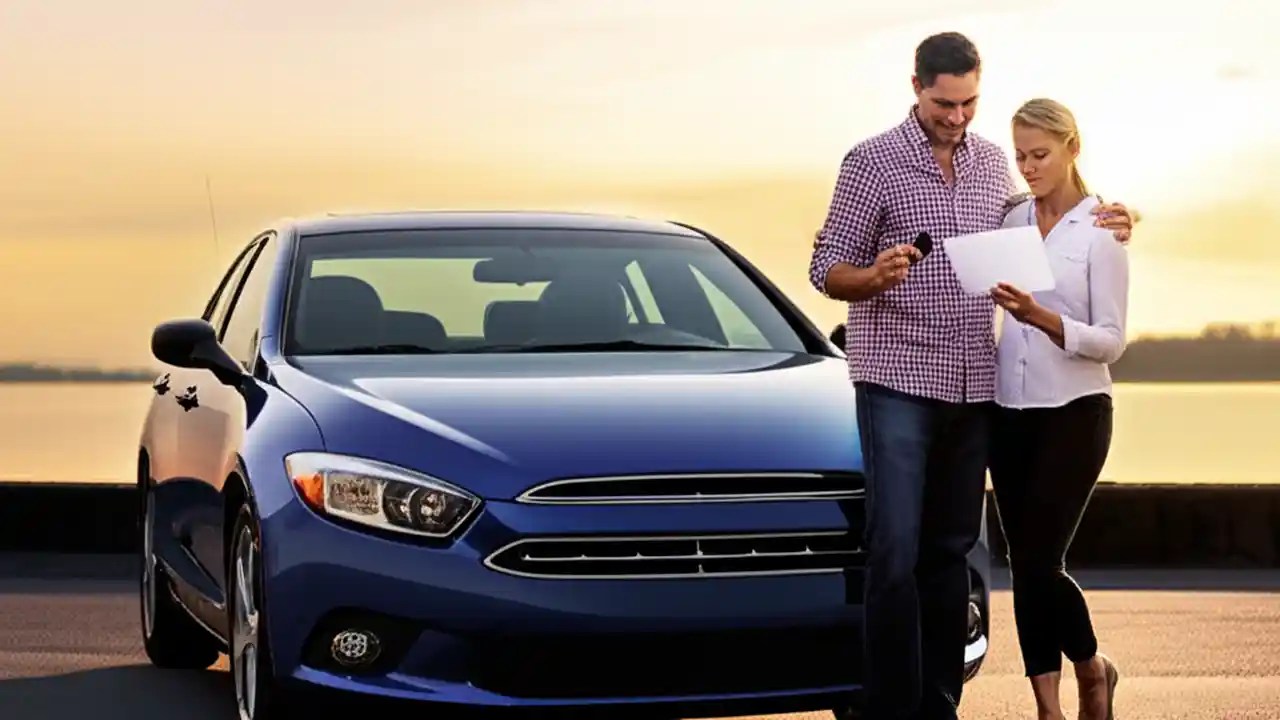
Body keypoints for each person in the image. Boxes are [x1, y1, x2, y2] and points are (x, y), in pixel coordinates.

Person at [807, 32, 1134, 720]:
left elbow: (1060, 214)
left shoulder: (994, 169)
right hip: (897, 379)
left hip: (975, 388)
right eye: (944, 103)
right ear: (917, 88)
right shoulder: (871, 162)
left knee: (950, 554)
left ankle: (938, 707)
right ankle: (891, 709)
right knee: (893, 550)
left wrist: (1126, 214)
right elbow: (826, 265)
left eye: (969, 103)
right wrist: (872, 276)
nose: (958, 118)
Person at [986, 97, 1127, 720]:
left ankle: (1093, 669)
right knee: (1024, 565)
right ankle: (1048, 708)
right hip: (1008, 409)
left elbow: (1112, 340)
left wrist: (1044, 319)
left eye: (1039, 154)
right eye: (1019, 156)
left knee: (1042, 560)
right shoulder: (1010, 216)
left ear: (1073, 148)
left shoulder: (1102, 233)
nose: (1028, 168)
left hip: (1076, 410)